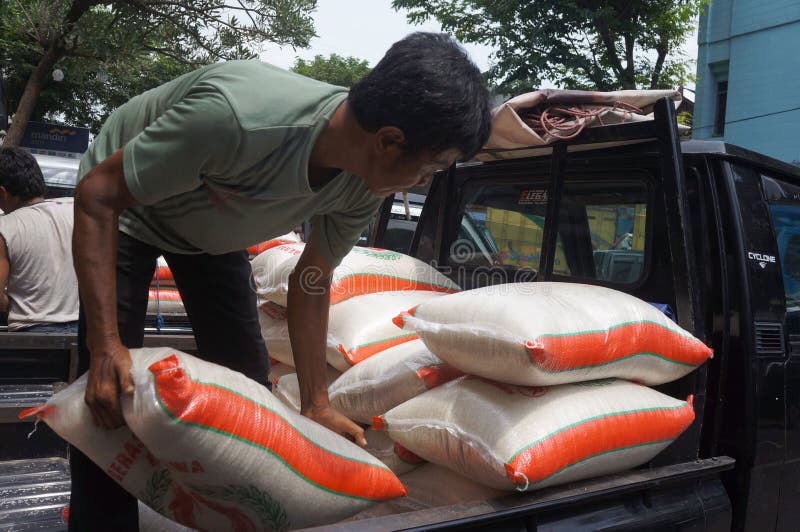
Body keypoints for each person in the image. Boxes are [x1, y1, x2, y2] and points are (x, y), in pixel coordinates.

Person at [72, 32, 491, 530]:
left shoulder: (366, 182)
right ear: (389, 141)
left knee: (250, 389)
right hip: (127, 210)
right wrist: (104, 347)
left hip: (211, 228)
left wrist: (316, 404)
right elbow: (97, 195)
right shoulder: (238, 119)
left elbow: (312, 280)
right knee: (109, 394)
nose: (424, 182)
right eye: (432, 167)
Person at [0, 147, 78, 333]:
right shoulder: (77, 212)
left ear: (2, 193)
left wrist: (9, 303)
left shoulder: (5, 227)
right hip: (84, 331)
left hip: (32, 336)